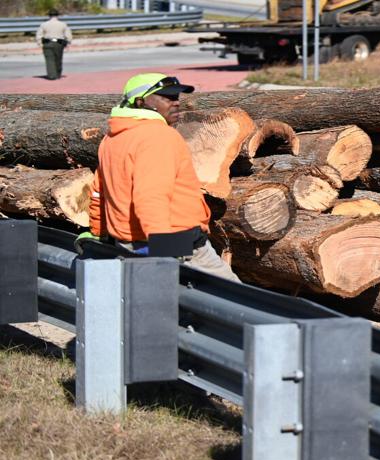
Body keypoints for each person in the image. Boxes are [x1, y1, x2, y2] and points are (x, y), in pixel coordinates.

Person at [88, 73, 240, 282]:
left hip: (128, 240)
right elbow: (150, 196)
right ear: (141, 102)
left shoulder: (113, 137)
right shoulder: (158, 136)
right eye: (167, 97)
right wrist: (164, 253)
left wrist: (99, 232)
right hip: (173, 240)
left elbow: (99, 190)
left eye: (177, 97)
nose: (176, 103)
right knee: (237, 300)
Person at [36, 10, 71, 82]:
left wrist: (39, 43)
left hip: (47, 43)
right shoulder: (63, 24)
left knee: (49, 60)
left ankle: (52, 75)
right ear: (57, 15)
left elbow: (39, 35)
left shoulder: (44, 24)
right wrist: (68, 43)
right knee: (58, 59)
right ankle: (58, 74)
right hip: (59, 43)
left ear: (49, 16)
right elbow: (68, 35)